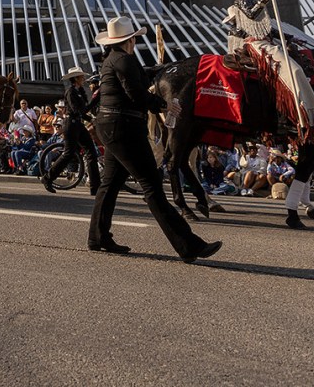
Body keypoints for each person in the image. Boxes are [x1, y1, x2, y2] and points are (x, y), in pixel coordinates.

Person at [87, 16, 221, 262]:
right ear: (132, 39)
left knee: (110, 184)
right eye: (135, 38)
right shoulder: (124, 60)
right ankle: (189, 245)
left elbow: (141, 77)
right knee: (152, 186)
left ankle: (98, 236)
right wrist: (164, 105)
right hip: (124, 126)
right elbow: (137, 93)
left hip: (111, 124)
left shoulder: (114, 59)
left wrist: (162, 70)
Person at [224, 0, 314, 138]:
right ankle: (296, 114)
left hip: (265, 40)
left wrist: (289, 37)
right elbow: (252, 15)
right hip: (257, 45)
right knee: (293, 71)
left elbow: (265, 28)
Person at [43, 67, 100, 195]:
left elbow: (82, 112)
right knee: (69, 153)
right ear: (76, 78)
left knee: (91, 153)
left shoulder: (80, 91)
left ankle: (95, 187)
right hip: (71, 124)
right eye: (81, 77)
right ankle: (47, 178)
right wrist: (94, 102)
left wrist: (91, 119)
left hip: (78, 124)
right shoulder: (70, 92)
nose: (83, 79)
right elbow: (77, 110)